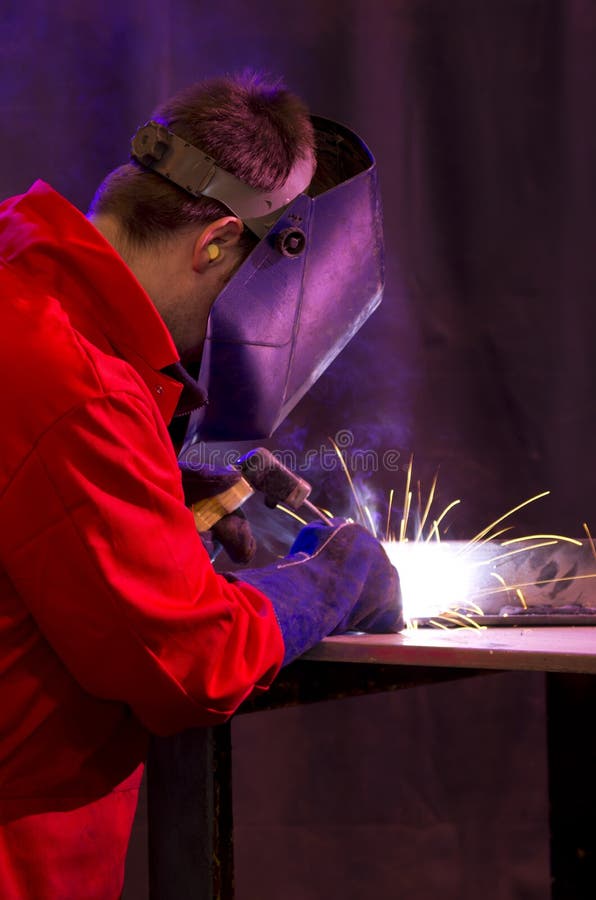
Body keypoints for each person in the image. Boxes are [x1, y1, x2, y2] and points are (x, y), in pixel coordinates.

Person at [0, 71, 401, 898]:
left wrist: (150, 481)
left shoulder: (21, 269)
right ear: (214, 245)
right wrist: (326, 584)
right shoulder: (77, 384)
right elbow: (189, 664)